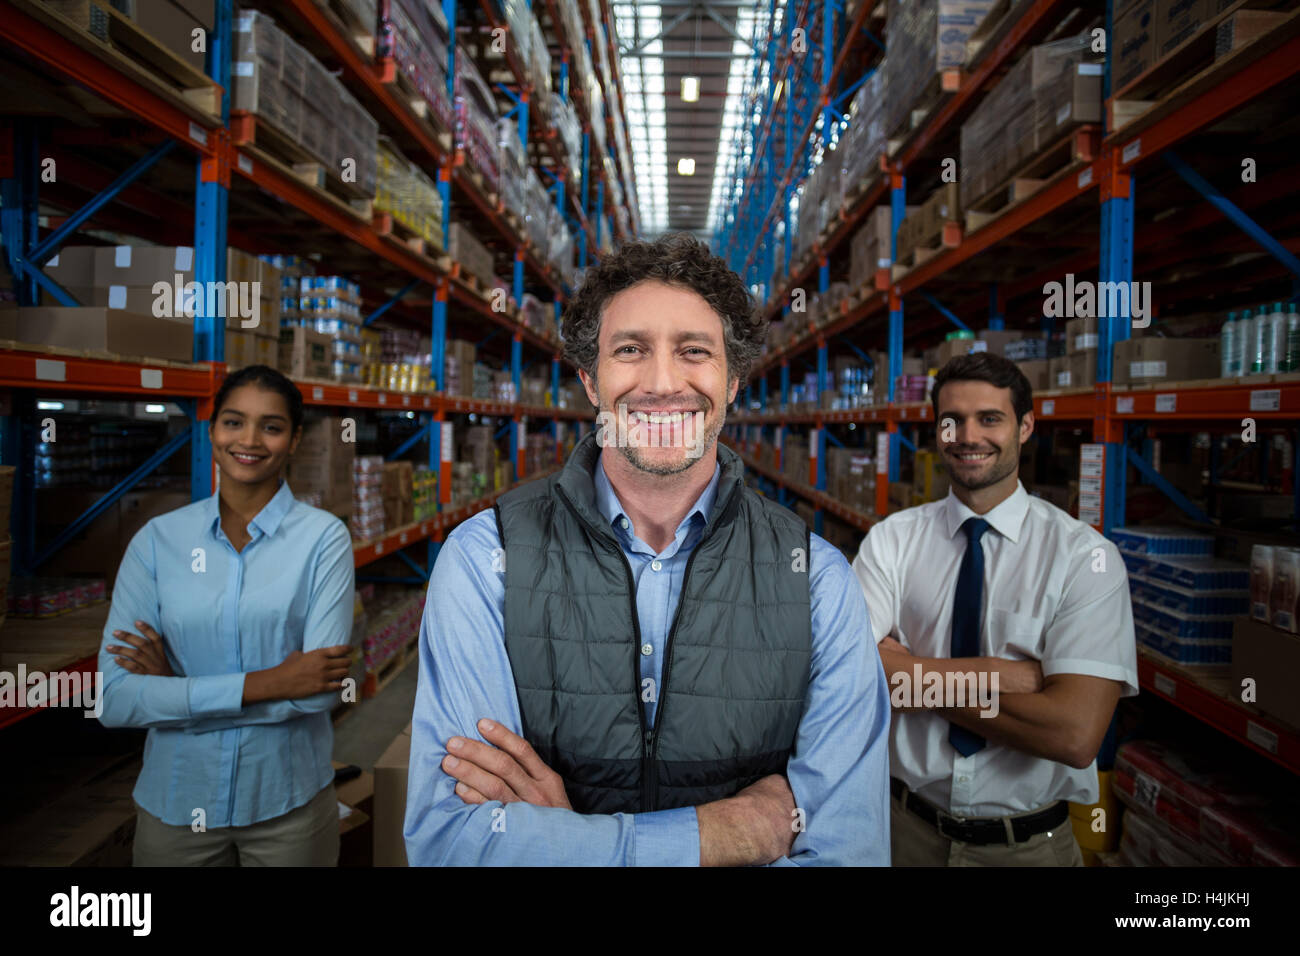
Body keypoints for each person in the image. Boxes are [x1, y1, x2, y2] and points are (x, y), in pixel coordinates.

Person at [405, 233, 891, 866]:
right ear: (589, 379)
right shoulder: (484, 560)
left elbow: (849, 855)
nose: (663, 383)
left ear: (734, 380)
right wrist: (724, 834)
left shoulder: (818, 581)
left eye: (694, 351)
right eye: (631, 350)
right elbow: (452, 846)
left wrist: (567, 841)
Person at [852, 351, 1138, 866]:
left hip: (1028, 848)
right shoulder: (890, 542)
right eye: (952, 421)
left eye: (990, 419)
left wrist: (910, 674)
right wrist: (1011, 678)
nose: (968, 436)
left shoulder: (1086, 559)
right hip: (902, 833)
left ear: (1026, 426)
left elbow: (1073, 735)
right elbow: (853, 676)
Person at [98, 365, 356, 866]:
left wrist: (176, 691)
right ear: (212, 429)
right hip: (177, 809)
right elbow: (115, 700)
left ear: (295, 439)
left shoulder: (323, 540)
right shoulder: (158, 542)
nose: (250, 440)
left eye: (272, 426)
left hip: (288, 808)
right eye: (234, 422)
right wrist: (275, 680)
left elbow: (315, 697)